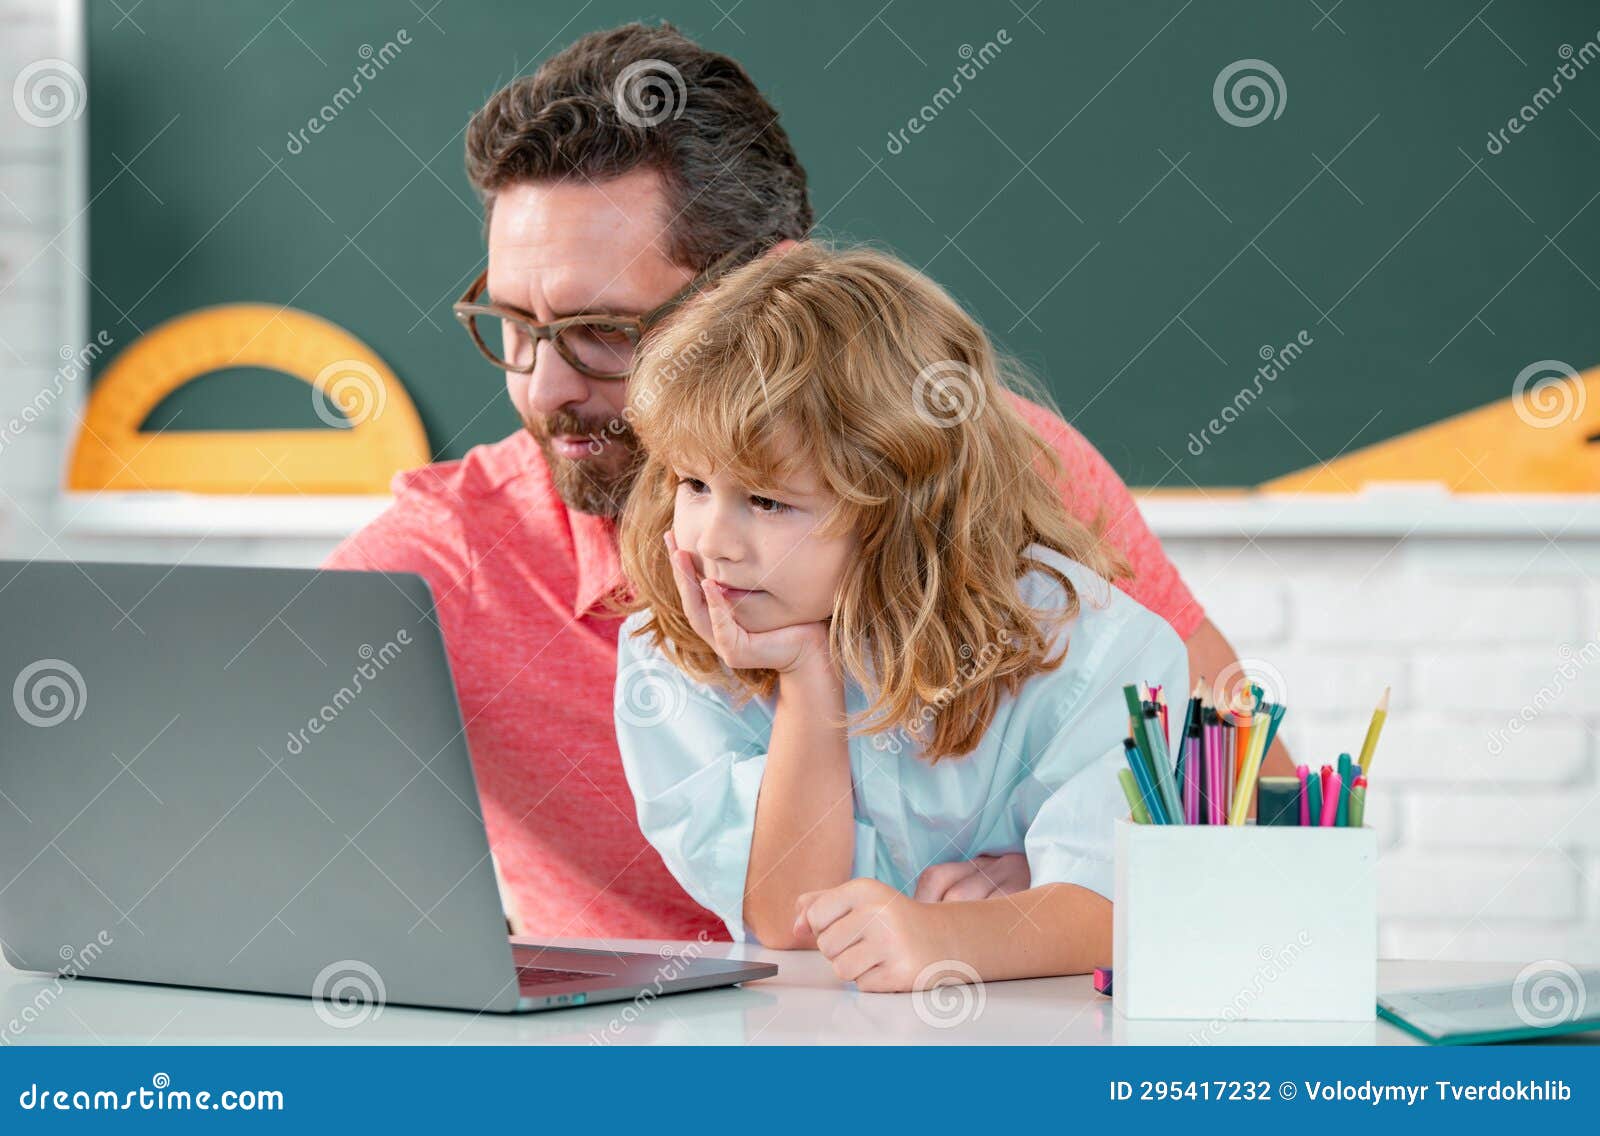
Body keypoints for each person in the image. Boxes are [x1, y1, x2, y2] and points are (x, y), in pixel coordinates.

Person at [323, 22, 1280, 943]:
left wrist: (1061, 894)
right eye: (514, 325)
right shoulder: (453, 555)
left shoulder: (987, 471)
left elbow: (1252, 799)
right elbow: (247, 749)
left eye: (604, 332)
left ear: (767, 295)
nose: (543, 390)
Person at [612, 243, 1185, 989]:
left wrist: (950, 937)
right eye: (692, 484)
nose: (712, 542)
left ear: (905, 508)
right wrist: (807, 680)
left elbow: (1118, 906)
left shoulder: (1090, 650)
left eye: (767, 501)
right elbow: (791, 920)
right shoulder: (673, 652)